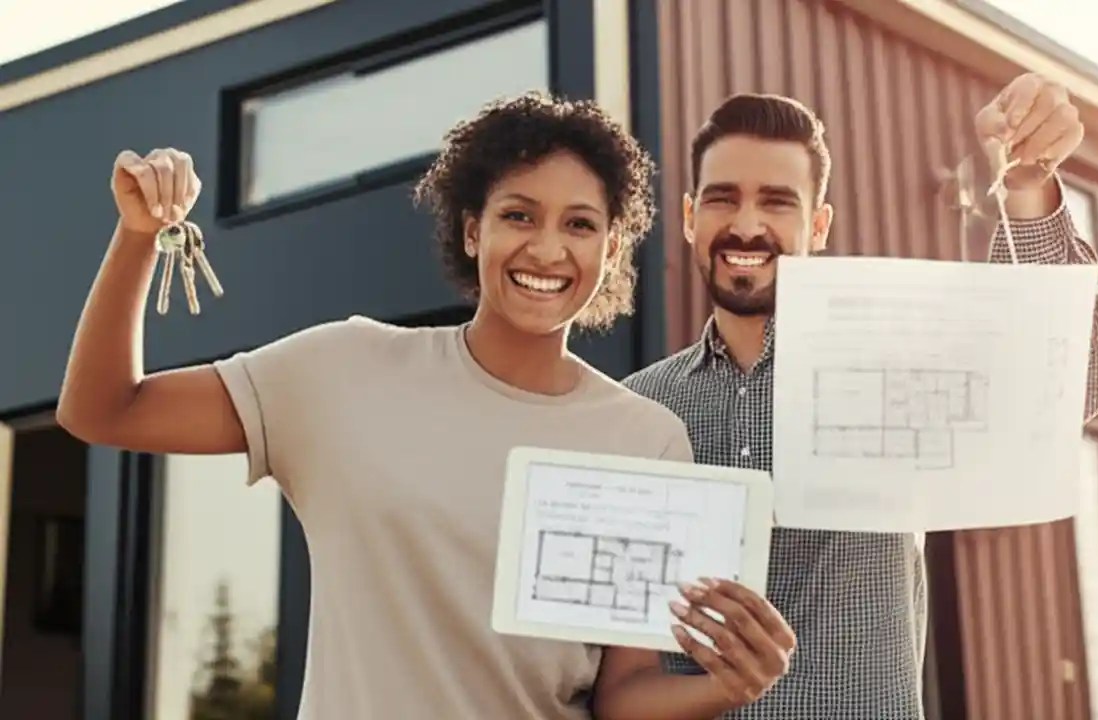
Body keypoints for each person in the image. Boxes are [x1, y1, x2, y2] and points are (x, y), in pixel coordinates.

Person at [56, 91, 795, 720]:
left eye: (579, 224)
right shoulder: (343, 371)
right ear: (473, 229)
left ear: (610, 247)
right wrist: (138, 236)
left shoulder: (646, 437)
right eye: (518, 215)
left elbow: (618, 693)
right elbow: (103, 410)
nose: (546, 248)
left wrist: (725, 684)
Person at [622, 73, 1098, 719]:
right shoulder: (636, 409)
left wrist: (1025, 187)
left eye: (777, 202)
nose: (746, 226)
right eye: (722, 199)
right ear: (689, 218)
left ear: (819, 225)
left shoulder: (895, 370)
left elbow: (1065, 385)